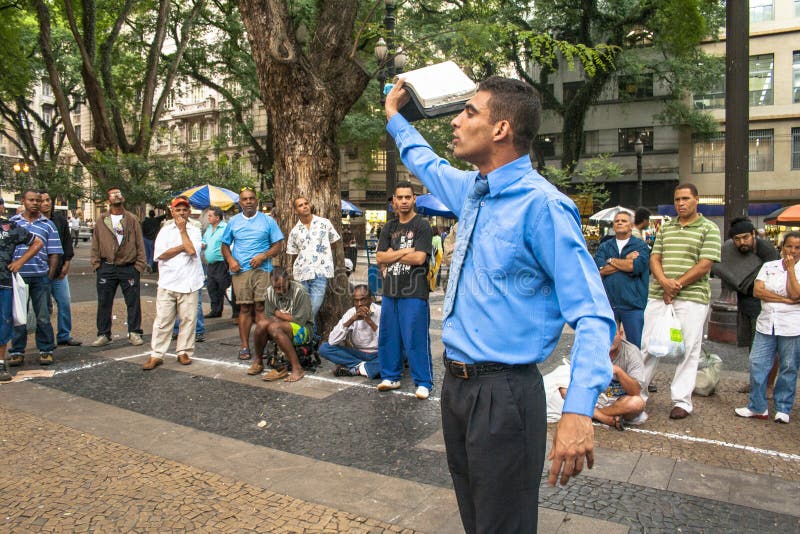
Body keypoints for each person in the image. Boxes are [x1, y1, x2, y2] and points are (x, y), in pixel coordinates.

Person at [384, 77, 614, 533]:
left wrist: (578, 410)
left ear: (501, 129)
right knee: (477, 521)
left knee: (503, 526)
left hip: (505, 395)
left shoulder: (543, 206)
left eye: (469, 112)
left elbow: (593, 313)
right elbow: (426, 162)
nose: (456, 121)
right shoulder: (472, 191)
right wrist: (394, 117)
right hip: (457, 389)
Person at [640, 183, 721, 420]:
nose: (681, 203)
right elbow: (655, 258)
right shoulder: (666, 227)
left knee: (689, 349)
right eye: (677, 199)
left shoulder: (709, 228)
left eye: (685, 198)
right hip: (659, 294)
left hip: (692, 297)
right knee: (648, 345)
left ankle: (682, 401)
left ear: (696, 199)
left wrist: (676, 285)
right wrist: (664, 282)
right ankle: (638, 393)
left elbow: (705, 264)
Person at [375, 182, 434, 400]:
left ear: (414, 199)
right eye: (399, 197)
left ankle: (424, 382)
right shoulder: (389, 227)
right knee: (389, 336)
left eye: (407, 197)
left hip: (415, 290)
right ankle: (391, 377)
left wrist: (393, 254)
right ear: (394, 200)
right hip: (390, 290)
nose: (404, 201)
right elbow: (379, 257)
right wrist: (405, 251)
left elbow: (419, 258)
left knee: (415, 338)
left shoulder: (422, 225)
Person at [735, 232, 800, 424]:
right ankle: (757, 406)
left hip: (791, 325)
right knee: (757, 363)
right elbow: (758, 291)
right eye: (789, 246)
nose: (792, 251)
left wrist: (791, 271)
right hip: (766, 323)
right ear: (782, 247)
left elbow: (796, 294)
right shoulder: (769, 266)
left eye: (797, 247)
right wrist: (784, 300)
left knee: (788, 366)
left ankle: (783, 408)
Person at [141, 197, 205, 370]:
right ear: (172, 211)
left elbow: (192, 251)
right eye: (178, 210)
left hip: (190, 281)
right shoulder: (165, 230)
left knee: (188, 320)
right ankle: (157, 354)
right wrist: (182, 246)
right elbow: (160, 254)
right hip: (168, 281)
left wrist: (183, 232)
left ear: (189, 212)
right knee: (163, 320)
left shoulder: (194, 229)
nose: (181, 213)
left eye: (184, 210)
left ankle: (184, 351)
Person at [220, 188, 284, 360]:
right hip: (240, 271)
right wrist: (231, 261)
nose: (248, 201)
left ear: (256, 201)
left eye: (251, 198)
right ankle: (244, 347)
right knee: (245, 308)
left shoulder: (268, 221)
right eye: (245, 199)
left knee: (261, 307)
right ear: (240, 203)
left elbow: (278, 246)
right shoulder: (233, 222)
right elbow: (224, 245)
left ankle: (261, 347)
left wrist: (264, 256)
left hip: (263, 270)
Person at [548, 324, 646, 430]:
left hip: (617, 402)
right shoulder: (591, 348)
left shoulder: (631, 352)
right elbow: (575, 377)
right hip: (593, 397)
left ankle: (590, 413)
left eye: (613, 334)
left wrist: (618, 372)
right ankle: (603, 418)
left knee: (637, 403)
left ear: (621, 334)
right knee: (563, 388)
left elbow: (635, 392)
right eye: (605, 334)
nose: (609, 339)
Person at [7, 190, 63, 367]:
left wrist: (50, 275)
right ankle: (17, 351)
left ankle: (46, 350)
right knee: (18, 315)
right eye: (31, 200)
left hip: (41, 277)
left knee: (43, 316)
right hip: (18, 277)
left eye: (38, 200)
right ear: (23, 201)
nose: (35, 203)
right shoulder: (13, 223)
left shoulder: (48, 224)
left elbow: (54, 252)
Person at [89, 187, 147, 347]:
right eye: (112, 194)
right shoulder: (102, 220)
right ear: (108, 200)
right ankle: (103, 334)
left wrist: (139, 265)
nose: (116, 196)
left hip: (129, 267)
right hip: (106, 267)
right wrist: (96, 264)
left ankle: (134, 332)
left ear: (123, 198)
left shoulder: (132, 219)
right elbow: (95, 243)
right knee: (104, 302)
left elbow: (140, 243)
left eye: (119, 193)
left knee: (133, 301)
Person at [594, 211, 650, 347]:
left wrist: (611, 261)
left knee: (634, 347)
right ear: (613, 225)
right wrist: (625, 260)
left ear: (631, 226)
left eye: (624, 221)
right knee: (608, 346)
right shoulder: (605, 246)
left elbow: (635, 267)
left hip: (633, 305)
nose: (619, 222)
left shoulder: (640, 246)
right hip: (608, 304)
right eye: (617, 221)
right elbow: (600, 271)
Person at [247, 268, 312, 383]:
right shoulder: (269, 292)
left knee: (274, 327)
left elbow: (299, 320)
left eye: (281, 287)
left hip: (303, 329)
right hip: (281, 326)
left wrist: (278, 313)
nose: (278, 291)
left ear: (288, 281)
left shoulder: (300, 292)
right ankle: (258, 361)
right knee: (261, 324)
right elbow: (269, 317)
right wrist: (283, 317)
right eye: (275, 287)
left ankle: (297, 368)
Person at [0, 216, 43, 381]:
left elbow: (37, 243)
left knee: (3, 324)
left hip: (3, 283)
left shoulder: (9, 226)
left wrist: (20, 262)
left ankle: (1, 364)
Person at [286, 196, 340, 326]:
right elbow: (293, 255)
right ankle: (309, 336)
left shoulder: (324, 223)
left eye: (306, 203)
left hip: (320, 272)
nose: (305, 206)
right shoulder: (294, 231)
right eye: (300, 205)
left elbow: (334, 243)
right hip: (301, 275)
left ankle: (303, 334)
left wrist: (322, 255)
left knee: (314, 307)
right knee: (303, 308)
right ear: (295, 210)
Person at [39, 192, 81, 346]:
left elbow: (67, 242)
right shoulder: (34, 222)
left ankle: (64, 334)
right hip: (41, 272)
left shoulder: (60, 220)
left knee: (64, 302)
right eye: (42, 201)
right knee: (43, 308)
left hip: (59, 271)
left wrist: (67, 263)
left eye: (48, 200)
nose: (45, 203)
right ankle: (46, 339)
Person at [319, 284, 381, 378]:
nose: (359, 304)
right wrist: (351, 320)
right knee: (324, 348)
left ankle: (356, 369)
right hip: (357, 354)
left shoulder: (381, 312)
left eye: (363, 300)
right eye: (356, 300)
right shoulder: (351, 313)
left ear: (371, 299)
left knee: (399, 354)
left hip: (378, 353)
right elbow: (332, 341)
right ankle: (366, 368)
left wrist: (369, 321)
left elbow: (387, 341)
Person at [202, 206, 230, 318]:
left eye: (210, 216)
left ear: (217, 217)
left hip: (222, 262)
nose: (208, 218)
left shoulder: (225, 228)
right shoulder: (209, 228)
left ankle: (237, 311)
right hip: (211, 263)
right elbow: (204, 240)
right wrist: (203, 244)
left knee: (225, 287)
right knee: (212, 287)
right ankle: (216, 310)